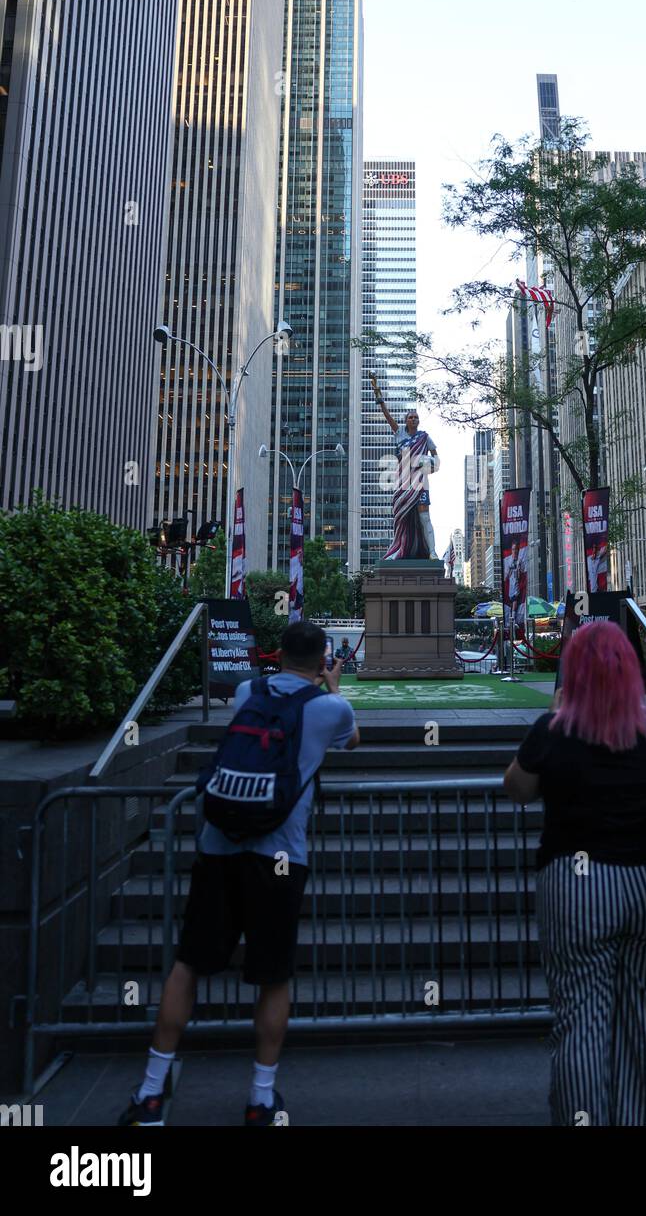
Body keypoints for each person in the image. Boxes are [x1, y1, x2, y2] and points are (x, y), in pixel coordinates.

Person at [118, 622, 360, 1128]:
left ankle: (148, 1096)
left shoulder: (251, 688)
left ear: (279, 655)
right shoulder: (331, 707)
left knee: (187, 964)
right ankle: (260, 1097)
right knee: (273, 977)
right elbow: (350, 741)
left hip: (218, 845)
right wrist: (332, 687)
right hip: (279, 857)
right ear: (322, 661)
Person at [503, 621, 646, 1127]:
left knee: (581, 1021)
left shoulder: (554, 729)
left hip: (576, 888)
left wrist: (552, 717)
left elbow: (517, 789)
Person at [370, 371, 438, 560]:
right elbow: (386, 415)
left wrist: (430, 463)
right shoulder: (399, 433)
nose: (414, 420)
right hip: (403, 481)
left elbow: (437, 459)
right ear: (406, 420)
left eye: (416, 417)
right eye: (411, 417)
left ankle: (432, 552)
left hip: (421, 482)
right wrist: (378, 395)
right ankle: (400, 549)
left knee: (425, 517)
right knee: (401, 516)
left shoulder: (424, 437)